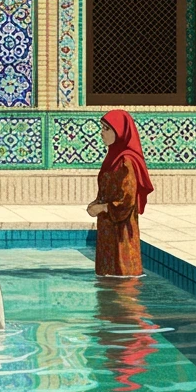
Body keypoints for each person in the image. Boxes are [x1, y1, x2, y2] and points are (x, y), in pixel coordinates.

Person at [86, 109, 153, 278]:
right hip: (108, 230)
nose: (102, 133)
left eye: (106, 129)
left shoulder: (126, 161)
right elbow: (109, 189)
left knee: (123, 282)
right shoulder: (113, 158)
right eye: (101, 128)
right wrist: (96, 202)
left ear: (120, 132)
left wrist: (102, 208)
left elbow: (127, 200)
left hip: (122, 231)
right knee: (108, 280)